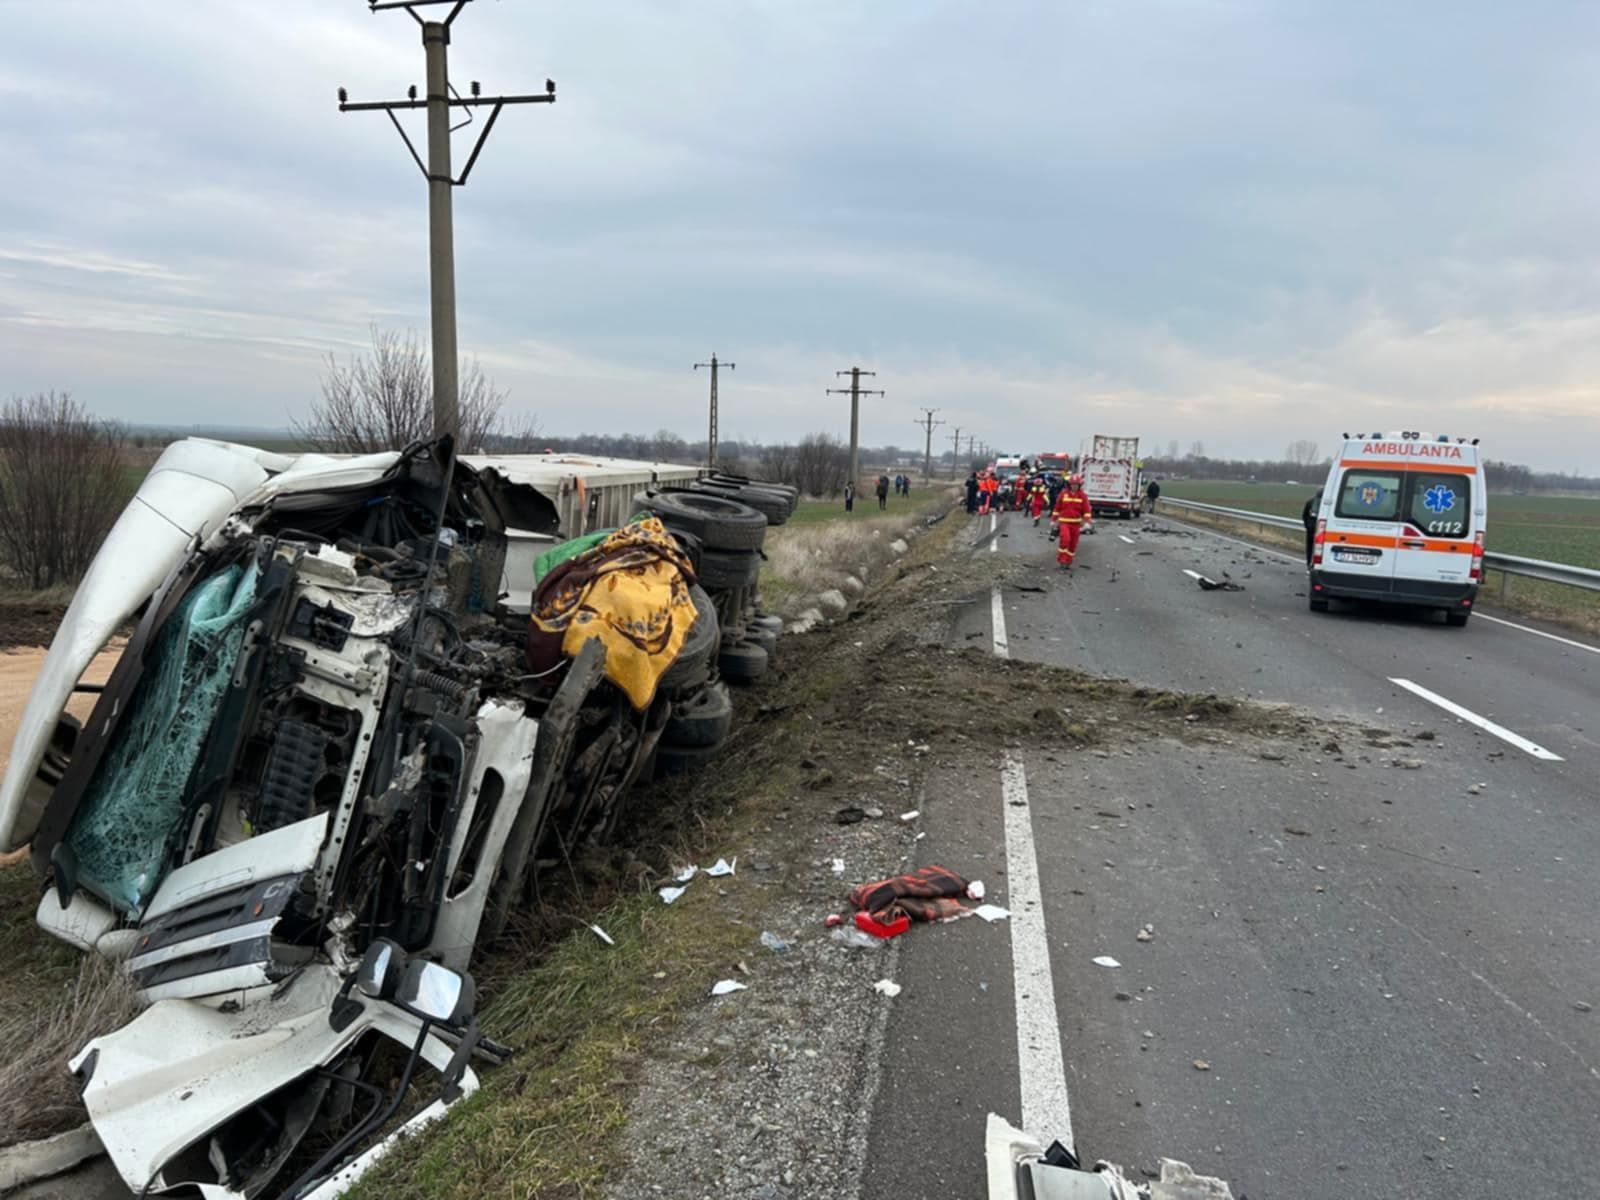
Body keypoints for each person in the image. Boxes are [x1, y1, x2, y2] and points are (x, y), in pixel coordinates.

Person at [1052, 474, 1093, 569]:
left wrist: (1087, 522)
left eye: (1076, 484)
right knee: (1065, 540)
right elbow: (1057, 507)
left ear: (1079, 485)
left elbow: (1087, 510)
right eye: (1072, 484)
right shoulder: (1063, 494)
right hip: (1064, 523)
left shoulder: (1082, 496)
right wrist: (1054, 520)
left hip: (1076, 524)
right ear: (1069, 485)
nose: (1074, 486)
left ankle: (1068, 561)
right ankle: (1062, 560)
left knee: (1073, 544)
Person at [1302, 489, 1322, 565]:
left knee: (1309, 546)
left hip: (1310, 527)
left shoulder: (1310, 502)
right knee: (1319, 547)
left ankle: (1309, 562)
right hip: (1320, 529)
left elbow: (1304, 515)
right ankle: (1316, 562)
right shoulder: (1325, 503)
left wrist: (1306, 525)